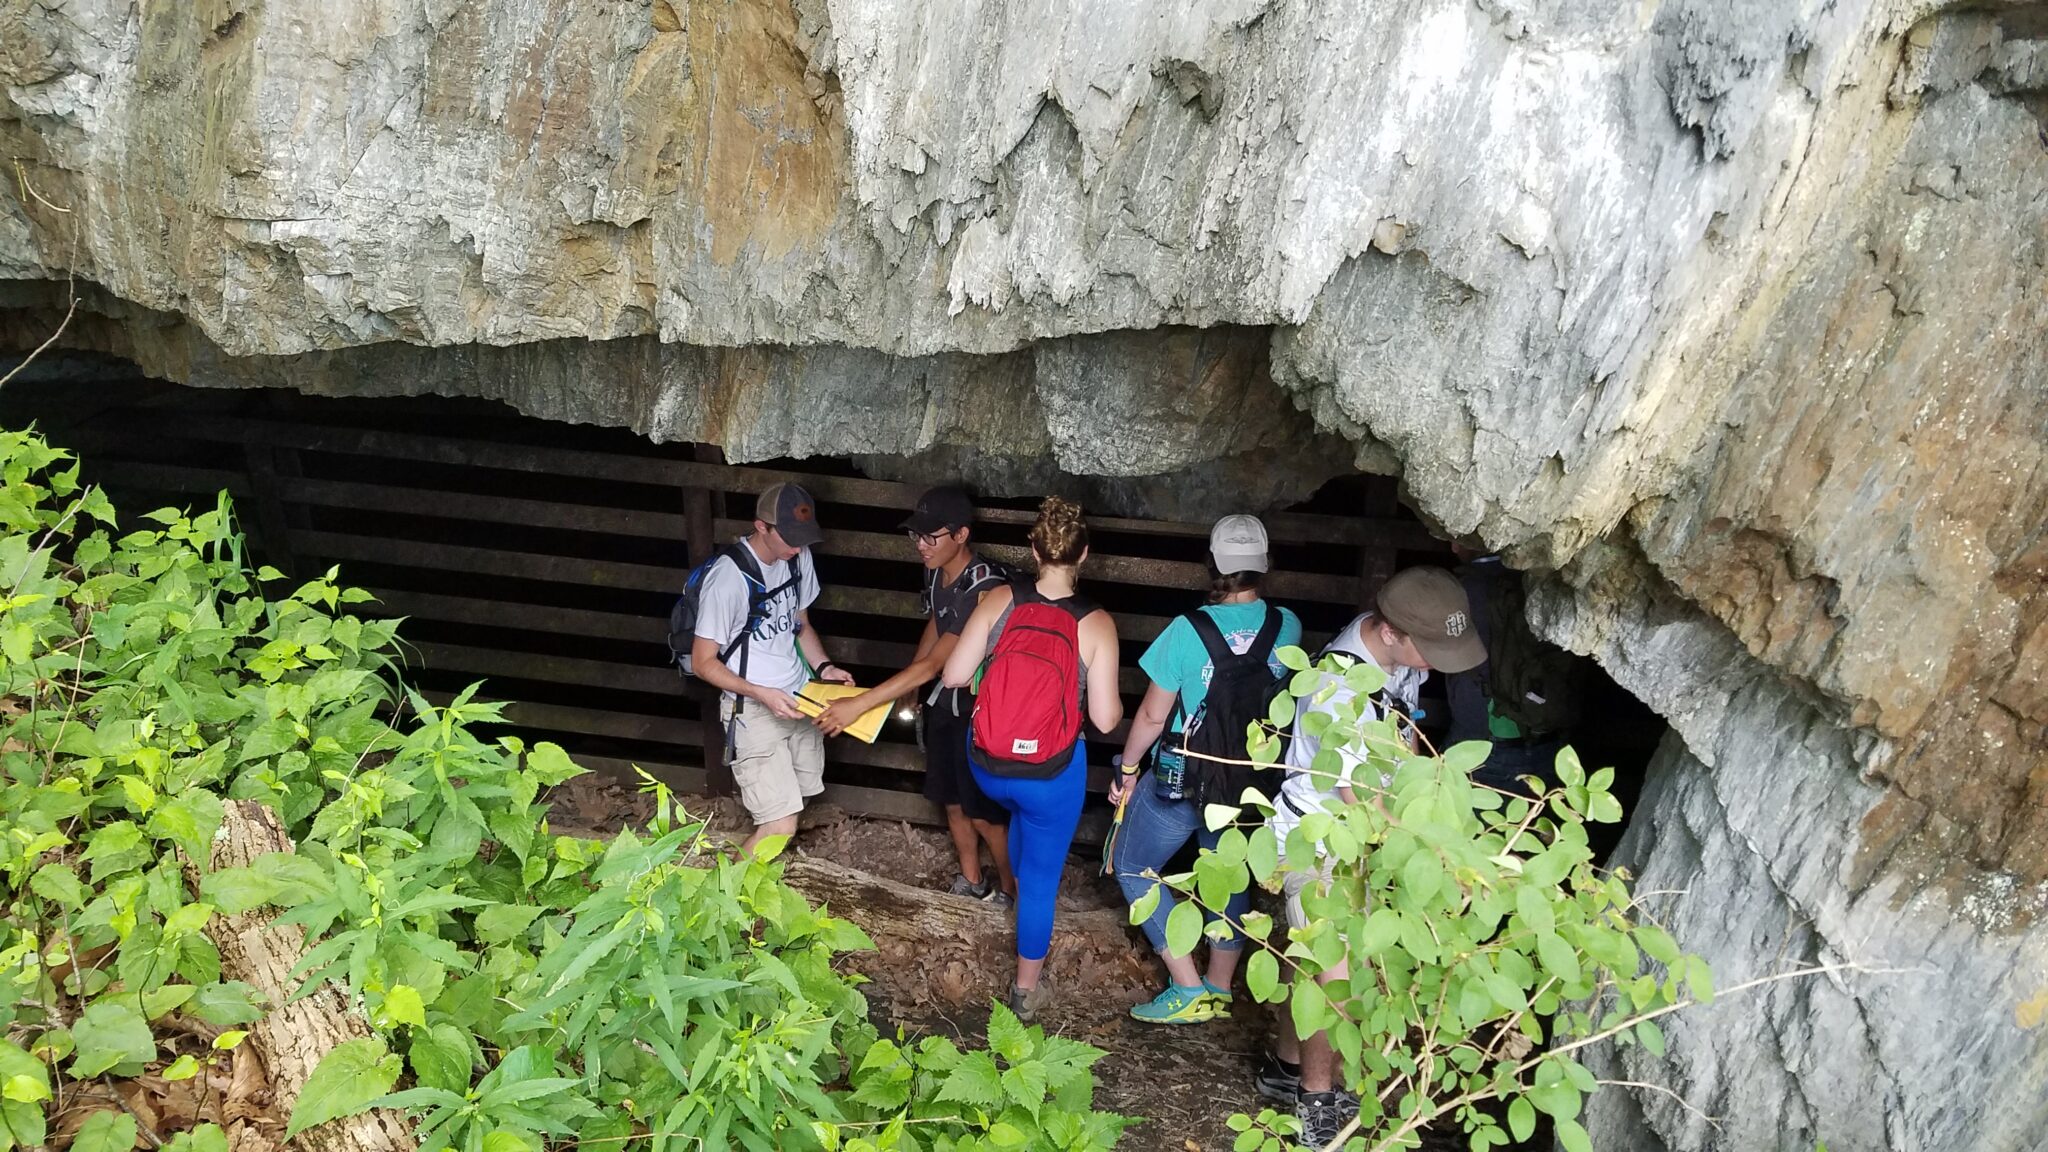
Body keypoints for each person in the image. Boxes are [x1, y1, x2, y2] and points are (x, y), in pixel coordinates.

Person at [1255, 566, 1484, 1146]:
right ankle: (1317, 1103)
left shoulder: (1391, 652)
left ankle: (1284, 1068)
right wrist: (1441, 855)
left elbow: (1401, 734)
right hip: (1322, 833)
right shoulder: (1337, 686)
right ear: (1388, 632)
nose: (1431, 662)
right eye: (1426, 649)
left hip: (1357, 829)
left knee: (1309, 957)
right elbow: (1366, 796)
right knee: (1337, 976)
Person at [1108, 514, 1302, 1024]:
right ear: (1264, 566)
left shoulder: (1186, 630)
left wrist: (1127, 769)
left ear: (1212, 565)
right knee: (1228, 875)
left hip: (1184, 781)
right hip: (1250, 782)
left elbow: (1152, 713)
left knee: (1132, 866)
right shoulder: (1288, 625)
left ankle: (1188, 986)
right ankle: (1219, 985)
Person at [942, 496, 1122, 1023]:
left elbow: (953, 676)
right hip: (1049, 776)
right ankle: (1025, 992)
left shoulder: (999, 600)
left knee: (1019, 817)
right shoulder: (1096, 623)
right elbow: (1107, 721)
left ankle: (1011, 897)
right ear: (1083, 554)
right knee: (1043, 876)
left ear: (1033, 548)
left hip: (989, 765)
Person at [815, 486, 1015, 904]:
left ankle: (1011, 892)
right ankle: (971, 880)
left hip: (982, 709)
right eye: (916, 536)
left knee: (984, 814)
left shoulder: (983, 587)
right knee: (951, 799)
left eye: (930, 537)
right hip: (947, 700)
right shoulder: (936, 569)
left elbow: (935, 662)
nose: (921, 546)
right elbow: (936, 625)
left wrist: (860, 704)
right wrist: (915, 680)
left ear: (960, 535)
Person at [690, 482, 855, 853]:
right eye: (791, 538)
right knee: (780, 823)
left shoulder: (797, 556)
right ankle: (729, 903)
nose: (798, 547)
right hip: (753, 709)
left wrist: (824, 667)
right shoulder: (728, 579)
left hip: (799, 698)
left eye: (803, 538)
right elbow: (703, 662)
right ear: (761, 526)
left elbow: (800, 624)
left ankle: (764, 875)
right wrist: (760, 693)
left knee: (802, 795)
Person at [1444, 544, 1583, 795]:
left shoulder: (1462, 590)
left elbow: (1463, 669)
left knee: (1462, 825)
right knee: (1531, 827)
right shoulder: (1540, 579)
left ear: (1456, 541)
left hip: (1487, 742)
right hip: (1548, 737)